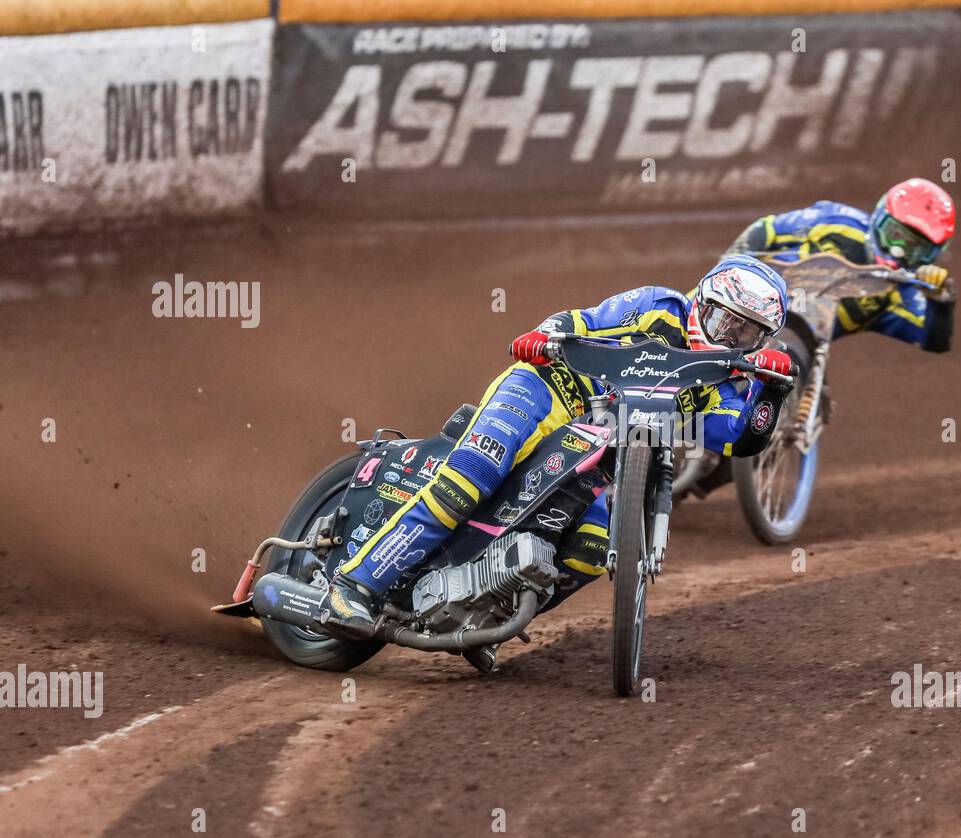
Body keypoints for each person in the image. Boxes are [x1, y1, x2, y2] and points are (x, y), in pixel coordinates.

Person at [320, 255, 796, 671]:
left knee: (591, 549)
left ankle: (490, 616)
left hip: (595, 452)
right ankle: (354, 586)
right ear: (703, 302)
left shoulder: (729, 379)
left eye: (746, 332)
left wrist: (773, 391)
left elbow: (738, 440)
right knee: (473, 476)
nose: (730, 336)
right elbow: (582, 320)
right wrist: (545, 335)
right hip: (545, 392)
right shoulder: (658, 306)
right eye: (723, 321)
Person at [723, 178, 957, 352]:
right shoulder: (836, 221)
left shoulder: (898, 293)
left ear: (934, 254)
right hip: (740, 301)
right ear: (880, 216)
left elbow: (934, 341)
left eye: (917, 249)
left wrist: (941, 301)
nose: (899, 251)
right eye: (896, 235)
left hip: (797, 348)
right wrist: (727, 269)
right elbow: (767, 229)